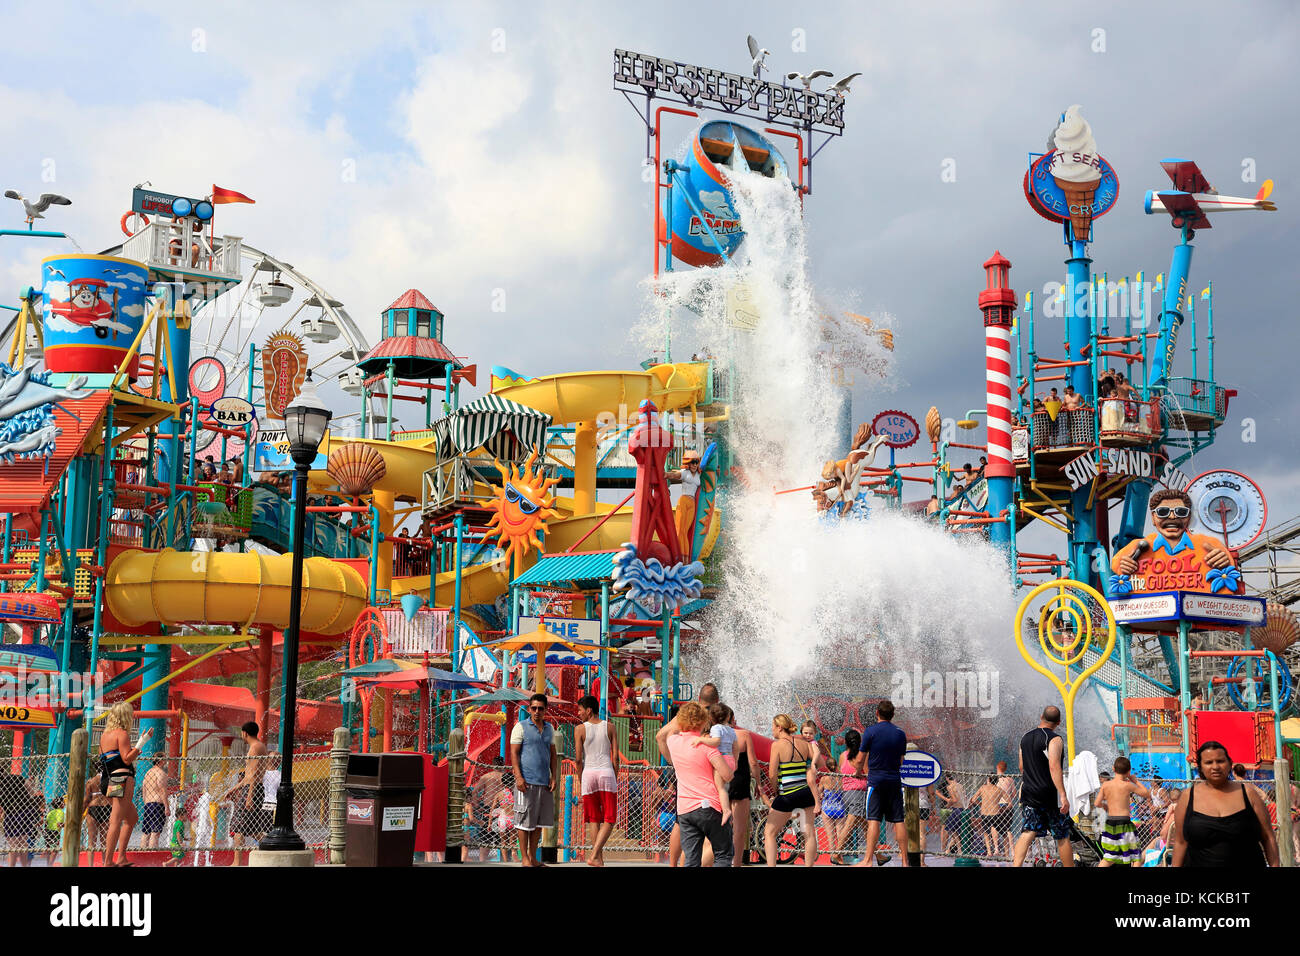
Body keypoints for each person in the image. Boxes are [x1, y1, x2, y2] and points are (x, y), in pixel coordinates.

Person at [1172, 741, 1279, 867]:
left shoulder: (1249, 794)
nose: (1215, 766)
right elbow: (1180, 842)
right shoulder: (1187, 797)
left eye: (1220, 761)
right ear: (1200, 767)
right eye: (1208, 762)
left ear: (1229, 764)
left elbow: (1268, 837)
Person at [655, 681, 720, 866]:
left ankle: (674, 863)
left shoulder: (687, 714)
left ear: (699, 698)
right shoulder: (714, 714)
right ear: (717, 700)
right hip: (707, 772)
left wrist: (674, 761)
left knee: (680, 819)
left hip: (684, 772)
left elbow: (660, 736)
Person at [665, 702, 735, 867]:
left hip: (685, 809)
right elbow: (727, 775)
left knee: (691, 859)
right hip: (710, 806)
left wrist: (681, 719)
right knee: (723, 855)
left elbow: (665, 734)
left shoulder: (672, 742)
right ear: (704, 721)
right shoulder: (705, 745)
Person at [1011, 706, 1073, 867]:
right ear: (1059, 722)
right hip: (1049, 793)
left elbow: (1021, 766)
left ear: (1041, 717)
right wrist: (1063, 794)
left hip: (1030, 791)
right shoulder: (1054, 739)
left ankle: (1016, 865)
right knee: (1062, 835)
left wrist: (1031, 779)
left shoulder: (1025, 737)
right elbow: (1054, 766)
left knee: (1028, 832)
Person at [854, 699, 909, 867]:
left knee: (874, 820)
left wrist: (858, 772)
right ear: (892, 715)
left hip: (876, 781)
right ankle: (906, 862)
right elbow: (901, 761)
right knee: (899, 820)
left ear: (877, 713)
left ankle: (868, 860)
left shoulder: (870, 732)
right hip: (894, 781)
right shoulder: (900, 733)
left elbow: (860, 759)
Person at [99, 701, 153, 866]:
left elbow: (110, 758)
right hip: (122, 779)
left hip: (107, 780)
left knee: (131, 818)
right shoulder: (121, 734)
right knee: (116, 821)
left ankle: (121, 857)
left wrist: (134, 749)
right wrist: (142, 742)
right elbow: (126, 758)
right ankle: (108, 861)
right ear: (125, 716)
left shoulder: (104, 735)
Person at [762, 713, 820, 867]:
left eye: (773, 727)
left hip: (787, 793)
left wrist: (775, 792)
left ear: (780, 727)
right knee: (808, 833)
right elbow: (819, 762)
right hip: (805, 792)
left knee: (769, 833)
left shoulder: (777, 745)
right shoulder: (803, 743)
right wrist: (808, 768)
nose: (772, 730)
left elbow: (772, 774)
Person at [509, 692, 559, 867]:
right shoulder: (520, 727)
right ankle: (524, 858)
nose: (537, 711)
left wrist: (554, 777)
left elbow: (553, 755)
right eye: (534, 708)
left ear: (546, 710)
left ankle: (532, 857)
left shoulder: (550, 729)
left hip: (544, 783)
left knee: (538, 823)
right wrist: (518, 777)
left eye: (540, 708)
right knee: (523, 823)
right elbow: (514, 754)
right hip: (526, 783)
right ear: (529, 709)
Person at [574, 694, 618, 867]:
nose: (578, 713)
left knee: (594, 819)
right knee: (609, 819)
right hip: (606, 771)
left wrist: (580, 777)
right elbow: (615, 758)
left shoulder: (579, 729)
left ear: (589, 710)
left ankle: (598, 859)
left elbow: (578, 759)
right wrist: (615, 775)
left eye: (580, 710)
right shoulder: (611, 727)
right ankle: (594, 856)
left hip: (589, 773)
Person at [222, 721, 268, 864]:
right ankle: (271, 849)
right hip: (253, 788)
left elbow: (253, 775)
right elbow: (248, 776)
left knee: (237, 828)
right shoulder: (259, 746)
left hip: (252, 790)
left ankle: (237, 862)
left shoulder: (255, 748)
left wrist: (249, 797)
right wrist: (233, 789)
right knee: (253, 828)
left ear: (244, 733)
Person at [688, 703, 737, 827]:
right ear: (727, 717)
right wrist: (735, 762)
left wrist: (701, 740)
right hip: (730, 758)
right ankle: (725, 809)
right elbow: (735, 747)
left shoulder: (716, 728)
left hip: (722, 759)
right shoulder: (731, 730)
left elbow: (716, 742)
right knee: (724, 788)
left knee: (720, 789)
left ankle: (725, 811)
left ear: (711, 718)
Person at [1094, 756, 1150, 866]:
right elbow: (1146, 793)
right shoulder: (1128, 785)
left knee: (1109, 857)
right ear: (1128, 771)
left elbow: (1096, 803)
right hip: (1124, 823)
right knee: (1136, 856)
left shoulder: (1106, 785)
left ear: (1113, 769)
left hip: (1110, 824)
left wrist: (1105, 806)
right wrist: (1135, 781)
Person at [725, 712, 760, 867]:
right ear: (733, 720)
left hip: (722, 782)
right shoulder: (743, 735)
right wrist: (758, 783)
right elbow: (753, 763)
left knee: (719, 825)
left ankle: (718, 859)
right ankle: (736, 862)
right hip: (740, 782)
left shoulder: (712, 736)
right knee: (739, 829)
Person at [832, 729, 869, 863]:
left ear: (846, 742)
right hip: (858, 793)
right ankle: (837, 853)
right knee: (849, 824)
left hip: (846, 793)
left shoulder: (843, 755)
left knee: (865, 826)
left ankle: (877, 854)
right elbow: (868, 773)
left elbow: (841, 770)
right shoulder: (862, 755)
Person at [667, 449, 703, 554]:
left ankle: (685, 558)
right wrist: (665, 474)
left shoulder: (698, 475)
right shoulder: (685, 472)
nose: (694, 465)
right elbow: (674, 475)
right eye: (693, 462)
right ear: (688, 463)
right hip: (683, 500)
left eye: (696, 462)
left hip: (692, 503)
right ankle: (678, 555)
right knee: (680, 530)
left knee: (685, 531)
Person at [971, 775, 1005, 856]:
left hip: (984, 812)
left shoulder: (983, 788)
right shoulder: (999, 789)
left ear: (988, 780)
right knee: (994, 828)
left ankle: (989, 851)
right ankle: (996, 849)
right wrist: (1003, 808)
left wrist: (981, 804)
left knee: (986, 832)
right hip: (995, 812)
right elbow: (1009, 801)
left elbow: (973, 799)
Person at [82, 777, 112, 866]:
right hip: (106, 807)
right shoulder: (110, 780)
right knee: (104, 842)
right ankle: (105, 864)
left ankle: (90, 865)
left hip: (94, 808)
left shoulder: (91, 781)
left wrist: (80, 814)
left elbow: (87, 799)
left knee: (91, 842)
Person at [140, 762, 169, 850]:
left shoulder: (148, 773)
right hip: (158, 804)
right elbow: (162, 791)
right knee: (155, 832)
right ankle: (152, 854)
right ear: (160, 761)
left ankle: (142, 853)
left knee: (146, 832)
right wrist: (167, 807)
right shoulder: (161, 773)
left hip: (148, 803)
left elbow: (144, 790)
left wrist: (146, 803)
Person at [938, 774, 968, 855]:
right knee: (956, 831)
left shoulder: (950, 787)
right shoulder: (960, 786)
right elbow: (965, 798)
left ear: (947, 778)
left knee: (951, 830)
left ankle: (957, 849)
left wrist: (948, 804)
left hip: (955, 810)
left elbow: (954, 800)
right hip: (962, 810)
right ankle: (956, 850)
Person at [44, 795, 65, 865]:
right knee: (55, 850)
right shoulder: (61, 812)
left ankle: (48, 864)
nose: (64, 803)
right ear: (61, 804)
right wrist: (67, 825)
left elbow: (46, 823)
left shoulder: (50, 812)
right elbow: (59, 824)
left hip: (47, 831)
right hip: (55, 832)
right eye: (63, 802)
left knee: (48, 849)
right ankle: (50, 864)